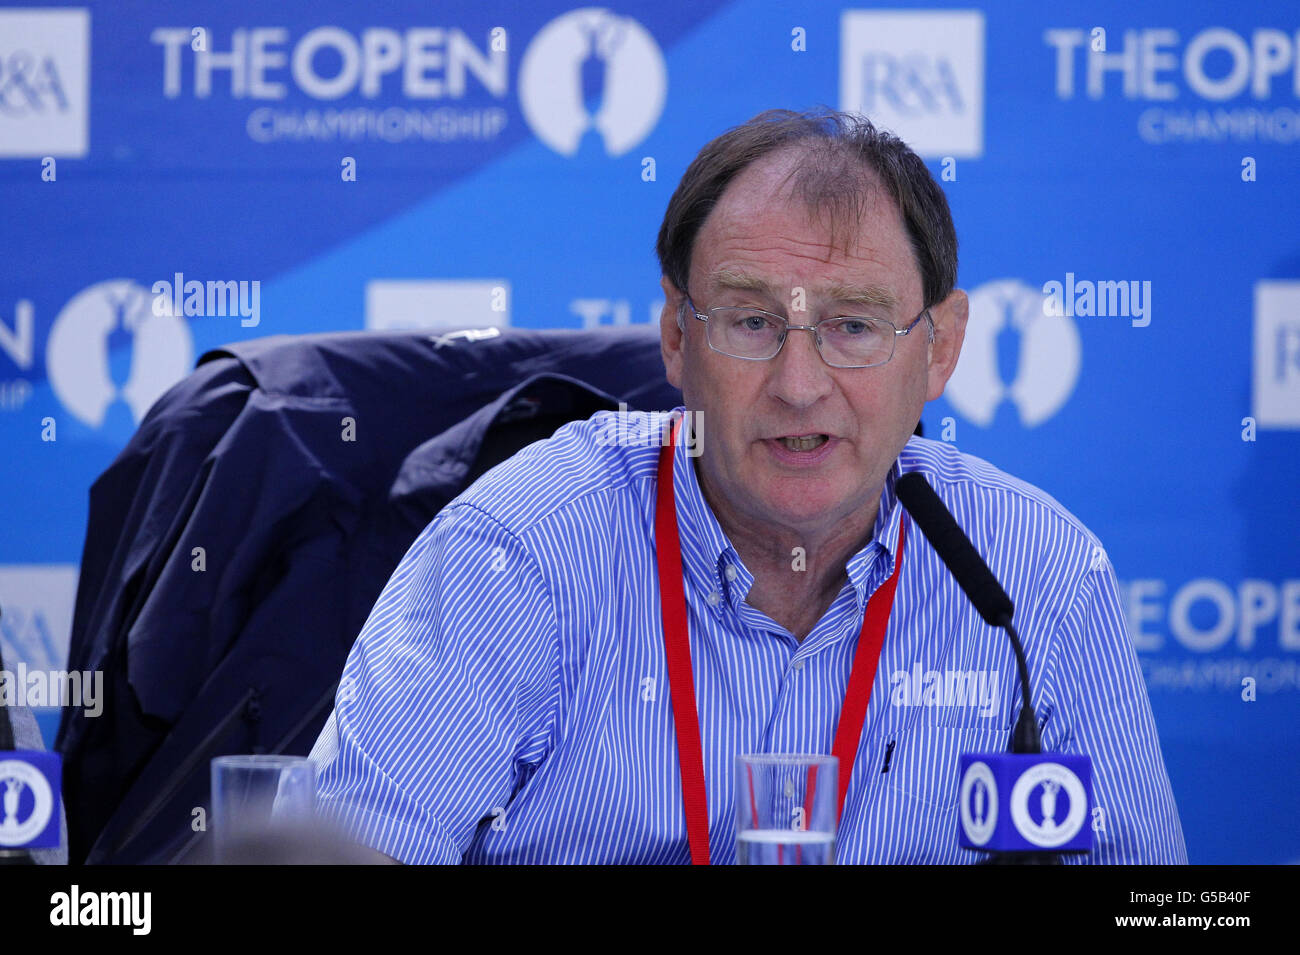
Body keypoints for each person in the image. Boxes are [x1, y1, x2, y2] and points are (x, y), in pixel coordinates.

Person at [308, 107, 1187, 864]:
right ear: (678, 339)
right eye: (753, 321)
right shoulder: (521, 553)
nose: (799, 383)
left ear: (941, 349)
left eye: (852, 325)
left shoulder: (1031, 575)